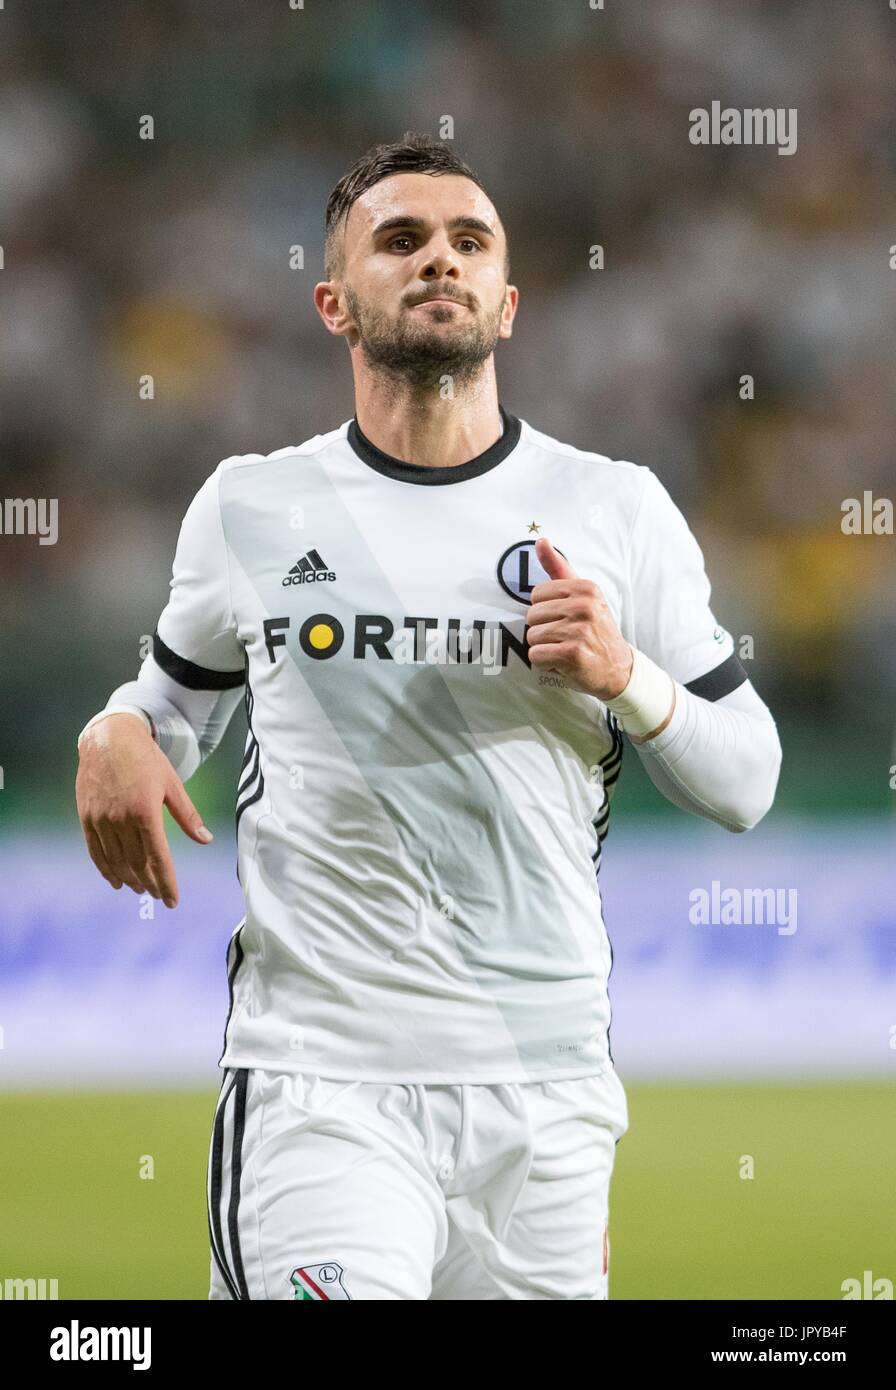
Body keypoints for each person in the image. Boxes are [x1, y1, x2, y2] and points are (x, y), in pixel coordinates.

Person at [75, 132, 782, 1301]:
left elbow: (747, 779)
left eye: (468, 242)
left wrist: (626, 680)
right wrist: (112, 731)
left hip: (546, 1093)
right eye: (398, 241)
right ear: (333, 302)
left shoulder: (614, 507)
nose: (437, 261)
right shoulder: (253, 504)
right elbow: (166, 712)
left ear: (507, 302)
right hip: (321, 1084)